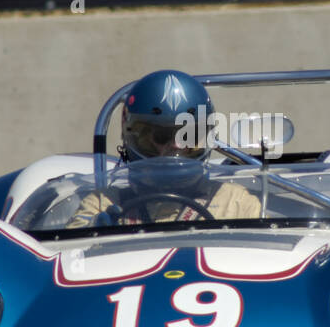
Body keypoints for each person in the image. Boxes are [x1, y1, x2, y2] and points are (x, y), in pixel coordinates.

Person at [67, 70, 260, 227]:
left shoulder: (237, 202)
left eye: (188, 136)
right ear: (133, 138)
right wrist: (95, 231)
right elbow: (70, 254)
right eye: (161, 136)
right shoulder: (103, 204)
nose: (176, 146)